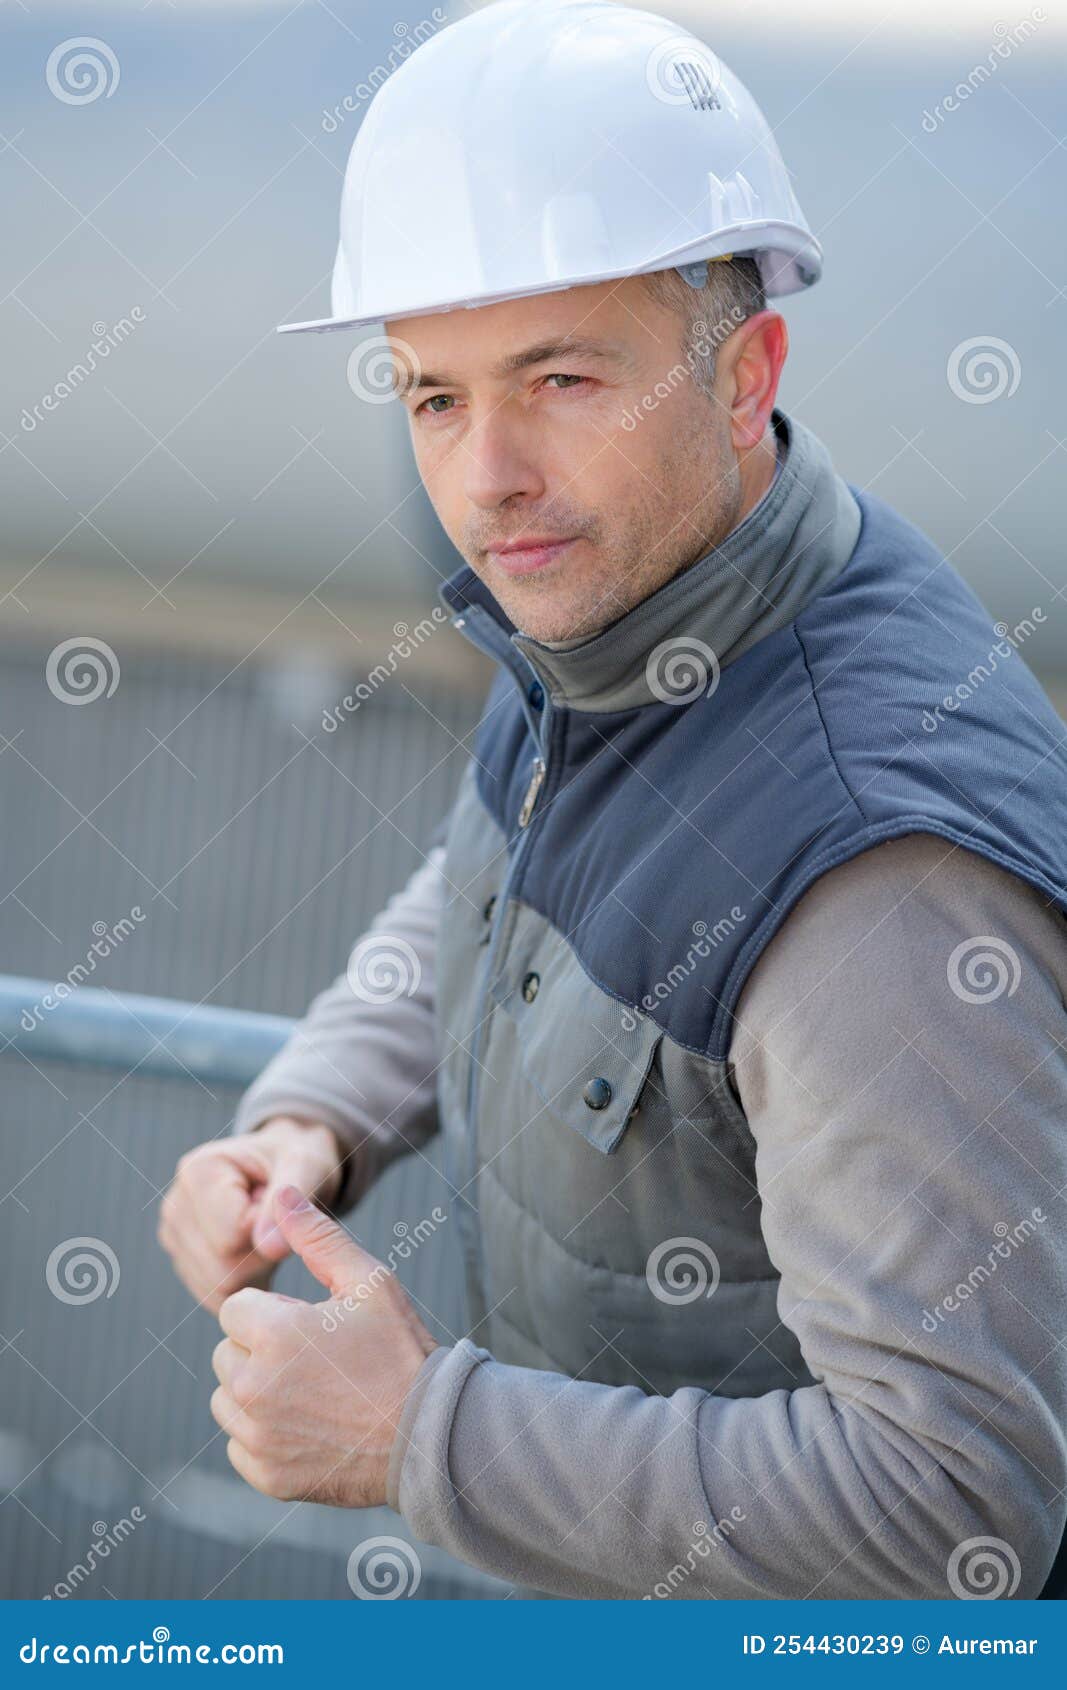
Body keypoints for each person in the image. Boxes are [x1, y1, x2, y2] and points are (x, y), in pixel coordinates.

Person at [158, 0, 1067, 1599]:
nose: (486, 474)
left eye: (562, 377)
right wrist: (320, 1112)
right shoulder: (634, 588)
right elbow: (504, 855)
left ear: (745, 371)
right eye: (433, 395)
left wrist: (418, 1435)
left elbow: (951, 1511)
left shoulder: (877, 885)